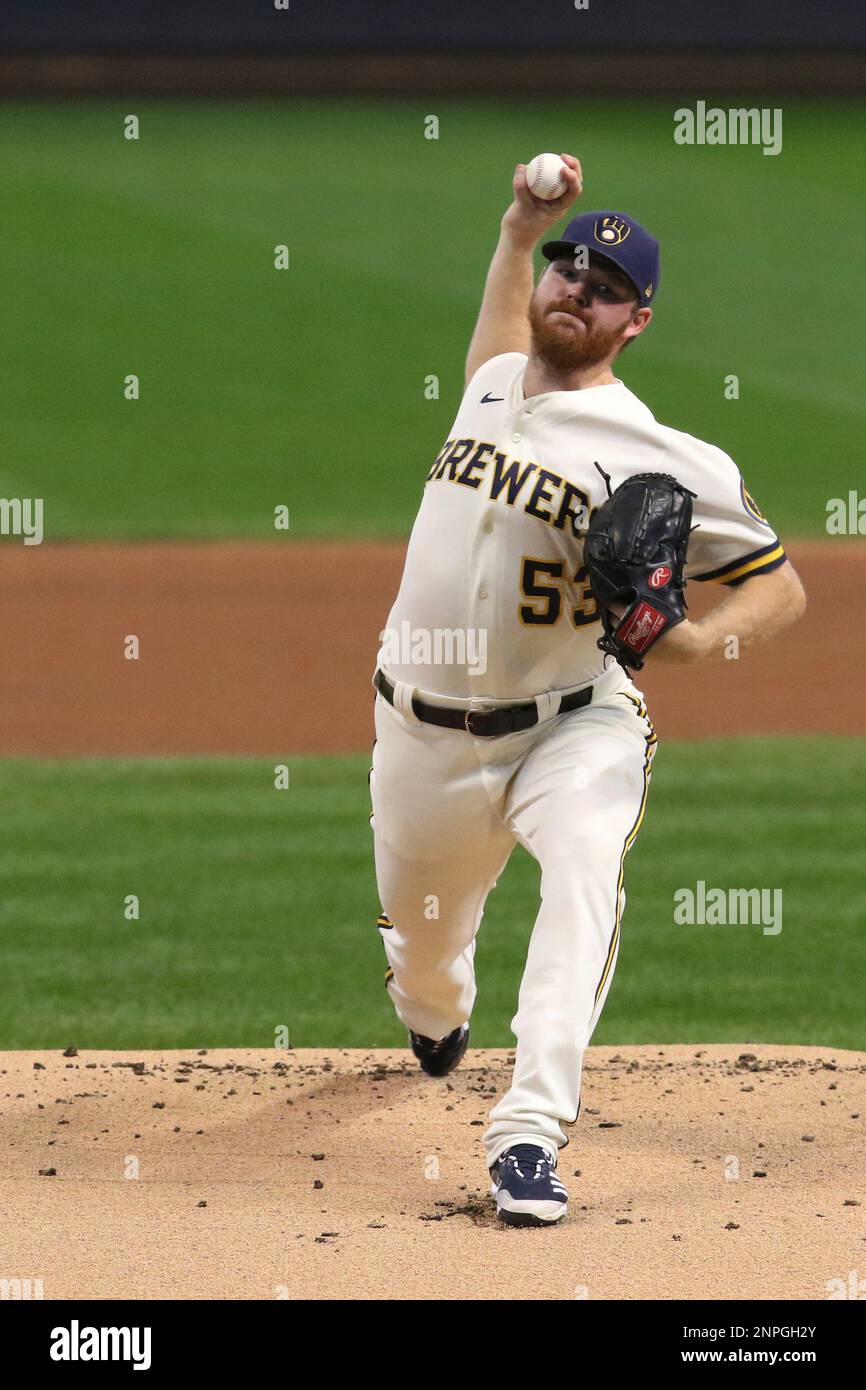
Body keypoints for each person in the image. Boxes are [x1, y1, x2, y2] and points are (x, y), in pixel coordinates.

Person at [369, 153, 806, 1226]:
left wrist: (698, 644)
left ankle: (526, 1132)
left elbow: (780, 584)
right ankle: (437, 1014)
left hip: (574, 725)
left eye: (602, 286)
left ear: (634, 320)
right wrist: (520, 227)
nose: (575, 288)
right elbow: (498, 314)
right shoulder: (485, 380)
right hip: (420, 736)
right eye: (567, 271)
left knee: (582, 875)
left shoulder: (663, 452)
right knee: (423, 965)